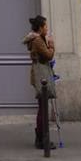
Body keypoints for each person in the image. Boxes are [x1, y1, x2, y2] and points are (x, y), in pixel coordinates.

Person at [23, 15, 56, 150]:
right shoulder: (37, 40)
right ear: (40, 28)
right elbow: (48, 55)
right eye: (45, 26)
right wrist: (52, 46)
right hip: (41, 74)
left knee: (42, 108)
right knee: (43, 109)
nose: (47, 28)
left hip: (39, 72)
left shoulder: (37, 39)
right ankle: (42, 139)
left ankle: (41, 138)